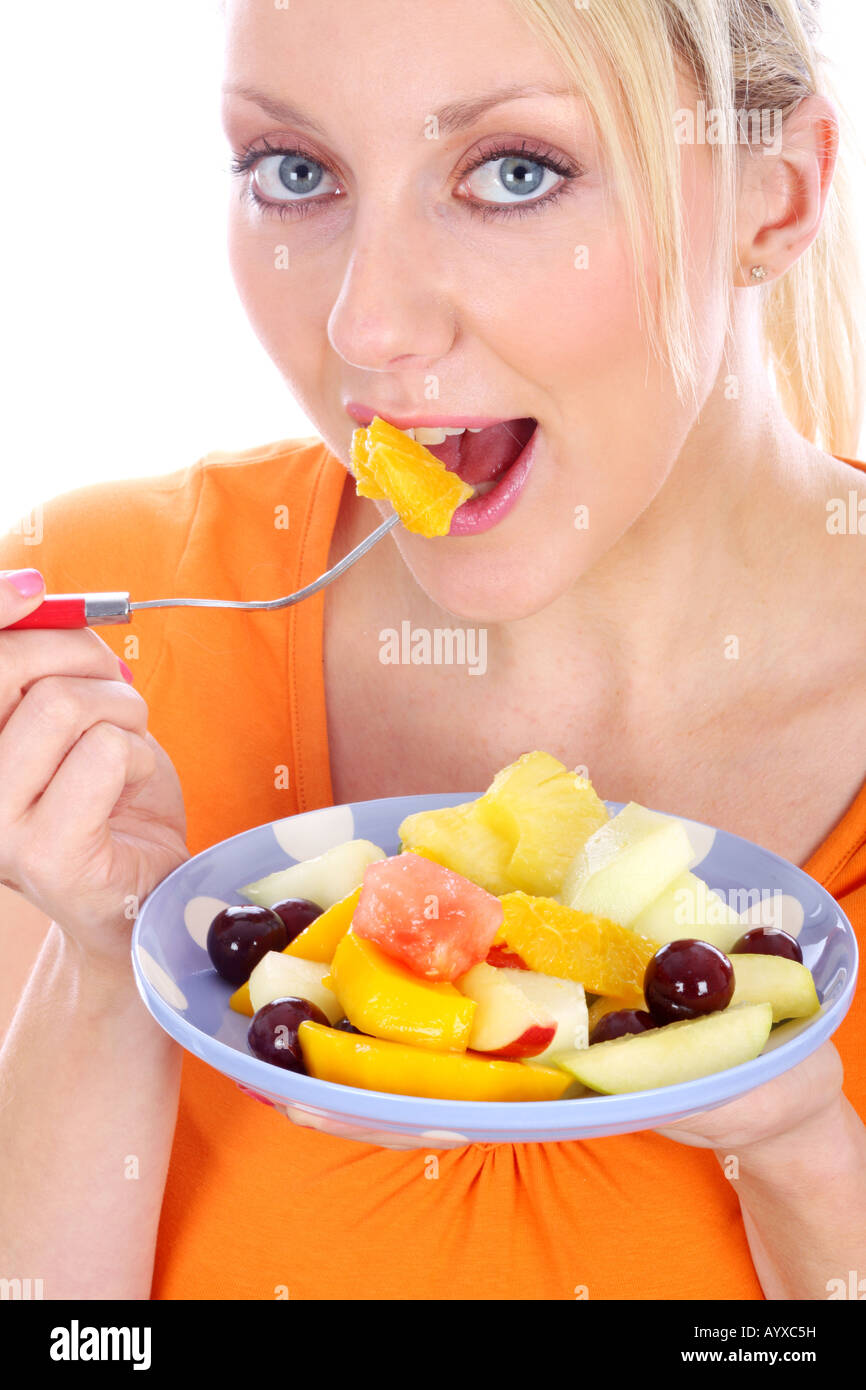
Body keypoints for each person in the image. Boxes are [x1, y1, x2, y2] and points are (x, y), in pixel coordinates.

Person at [1, 0, 865, 1301]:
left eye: (514, 172)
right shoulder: (91, 657)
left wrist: (802, 1152)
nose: (366, 326)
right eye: (296, 172)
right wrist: (108, 953)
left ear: (774, 196)